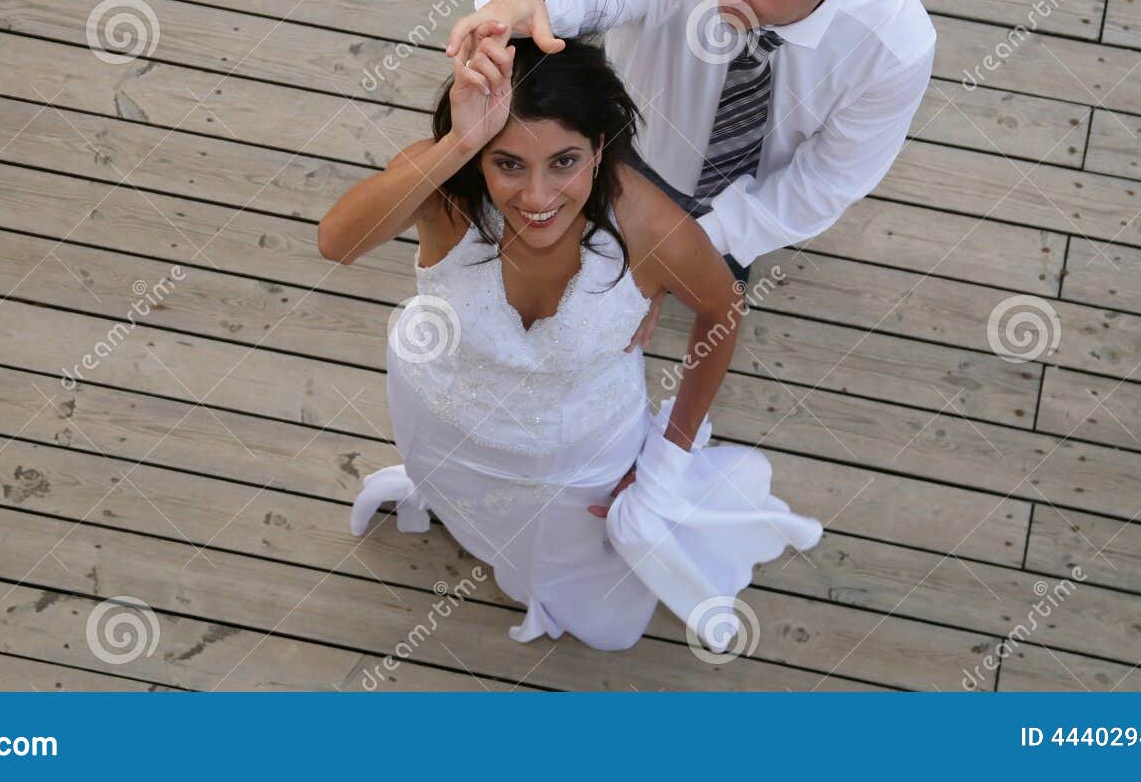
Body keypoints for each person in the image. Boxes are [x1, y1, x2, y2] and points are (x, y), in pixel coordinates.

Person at [319, 37, 821, 651]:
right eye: (508, 164)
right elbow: (337, 244)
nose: (536, 198)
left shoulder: (653, 230)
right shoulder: (445, 189)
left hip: (577, 457)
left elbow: (721, 310)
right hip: (443, 417)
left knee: (597, 607)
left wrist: (669, 458)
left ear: (600, 148)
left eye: (564, 162)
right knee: (474, 509)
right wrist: (459, 144)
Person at [447, 0, 937, 351]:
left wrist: (675, 255)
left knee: (711, 296)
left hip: (750, 195)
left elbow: (824, 182)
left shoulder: (894, 48)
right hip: (627, 150)